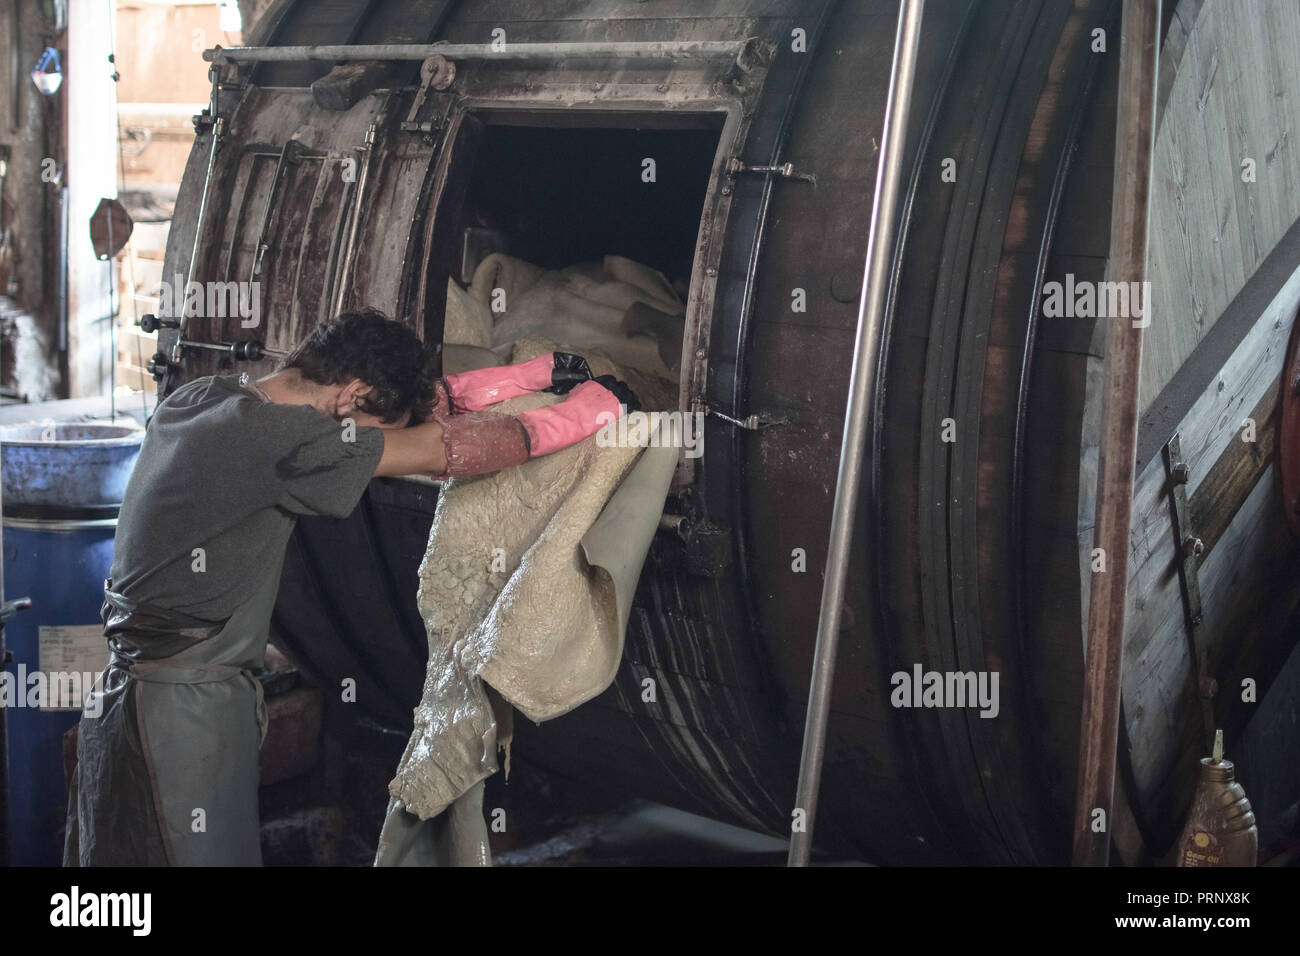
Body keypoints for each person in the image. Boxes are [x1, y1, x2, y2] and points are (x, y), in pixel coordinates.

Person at [64, 308, 636, 866]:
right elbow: (437, 450)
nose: (366, 451)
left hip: (139, 695)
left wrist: (526, 378)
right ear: (351, 396)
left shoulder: (208, 399)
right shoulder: (280, 444)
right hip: (180, 715)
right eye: (371, 430)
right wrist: (591, 411)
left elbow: (371, 418)